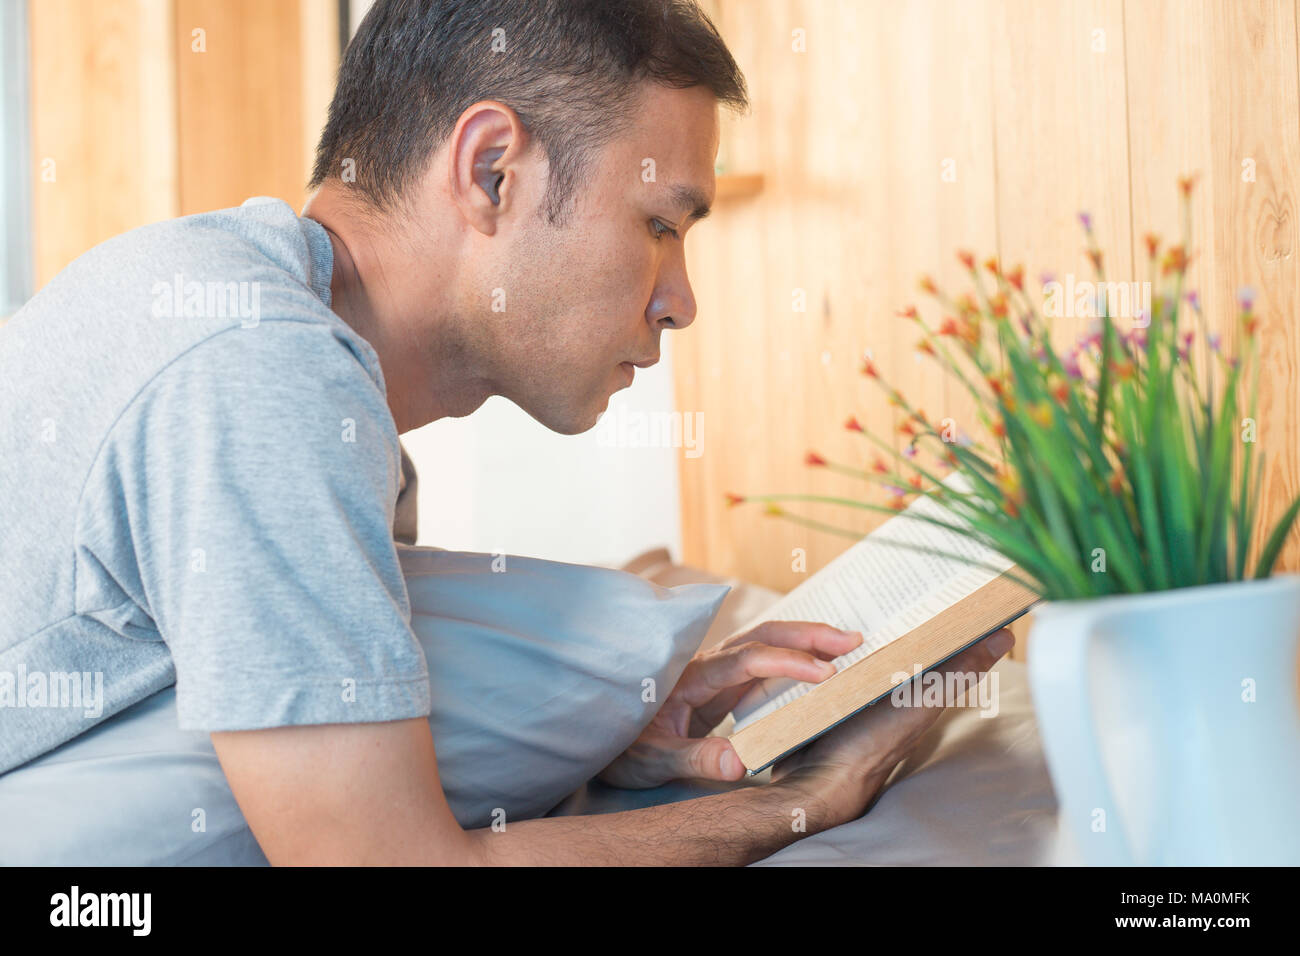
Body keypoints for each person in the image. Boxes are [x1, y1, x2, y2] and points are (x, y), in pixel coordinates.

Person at [0, 0, 1012, 864]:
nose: (681, 301)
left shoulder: (268, 340)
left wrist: (621, 738)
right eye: (661, 222)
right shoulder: (258, 367)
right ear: (492, 170)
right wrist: (799, 801)